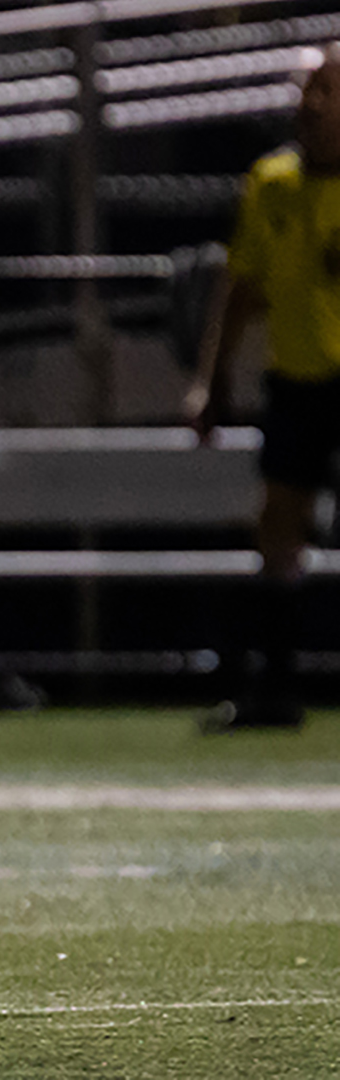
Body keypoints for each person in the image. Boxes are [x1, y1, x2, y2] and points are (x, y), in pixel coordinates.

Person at [189, 43, 340, 733]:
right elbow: (240, 288)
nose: (311, 105)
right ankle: (276, 691)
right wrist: (211, 379)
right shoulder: (272, 180)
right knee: (278, 530)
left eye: (327, 91)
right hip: (300, 381)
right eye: (308, 90)